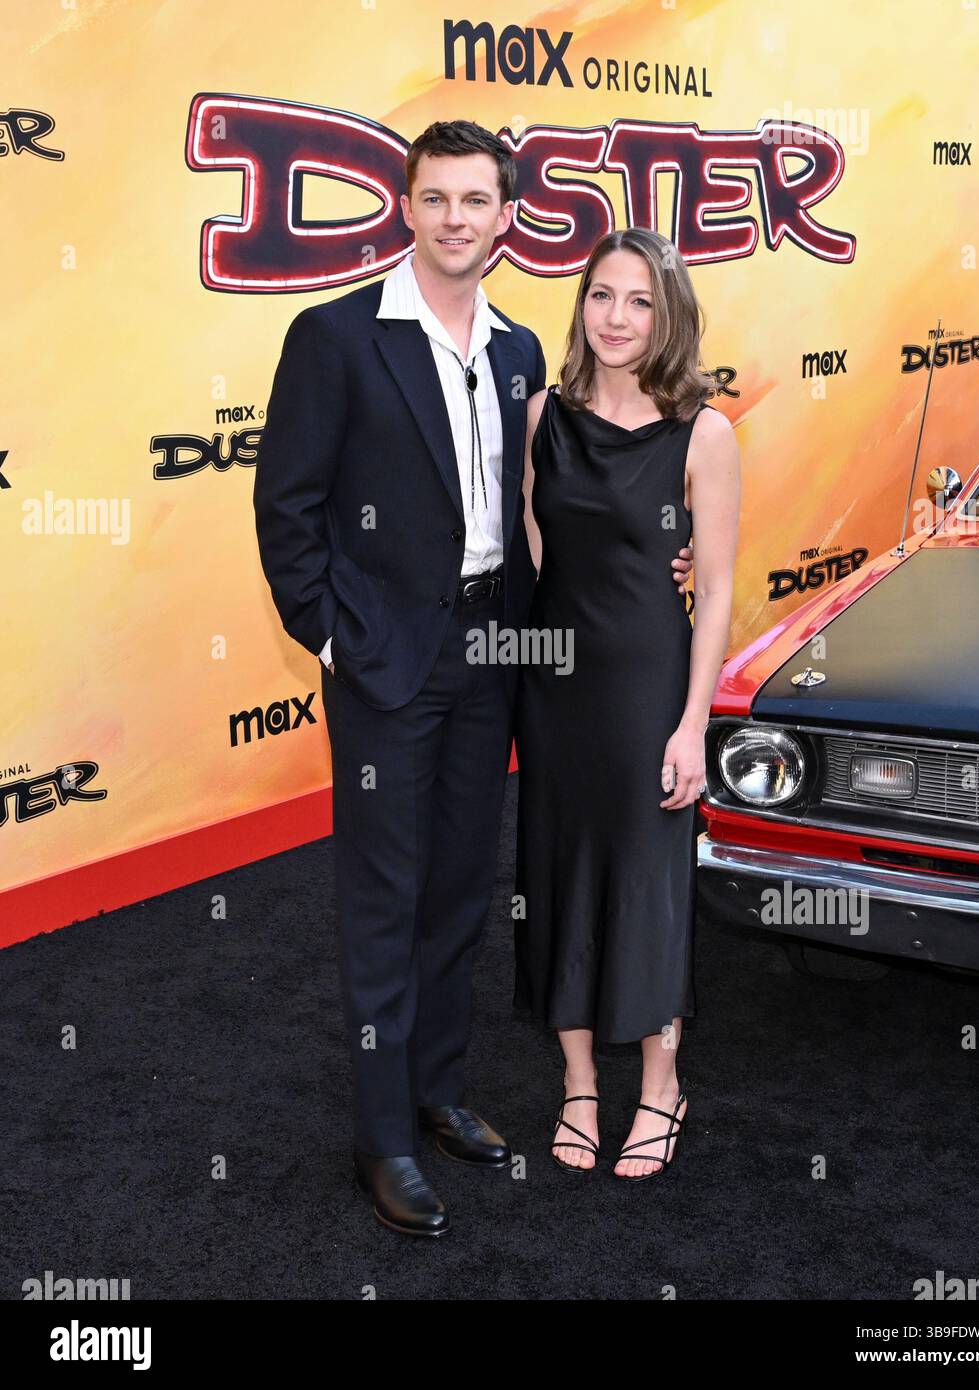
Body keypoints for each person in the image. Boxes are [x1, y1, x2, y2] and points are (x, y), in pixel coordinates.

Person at [253, 123, 699, 1235]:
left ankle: (437, 1090)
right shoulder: (336, 337)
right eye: (435, 197)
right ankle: (383, 1135)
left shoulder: (514, 358)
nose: (456, 217)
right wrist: (335, 639)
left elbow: (560, 511)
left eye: (476, 200)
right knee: (382, 900)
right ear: (407, 206)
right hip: (386, 662)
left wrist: (664, 553)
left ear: (507, 219)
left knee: (459, 890)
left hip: (496, 655)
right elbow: (286, 510)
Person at [513, 227, 740, 1181]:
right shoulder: (541, 417)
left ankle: (659, 1087)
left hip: (651, 688)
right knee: (559, 875)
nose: (617, 318)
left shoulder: (706, 433)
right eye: (602, 296)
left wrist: (692, 725)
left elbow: (719, 588)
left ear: (670, 315)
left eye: (640, 301)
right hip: (557, 691)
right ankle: (577, 1084)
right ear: (582, 306)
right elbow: (535, 549)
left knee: (649, 886)